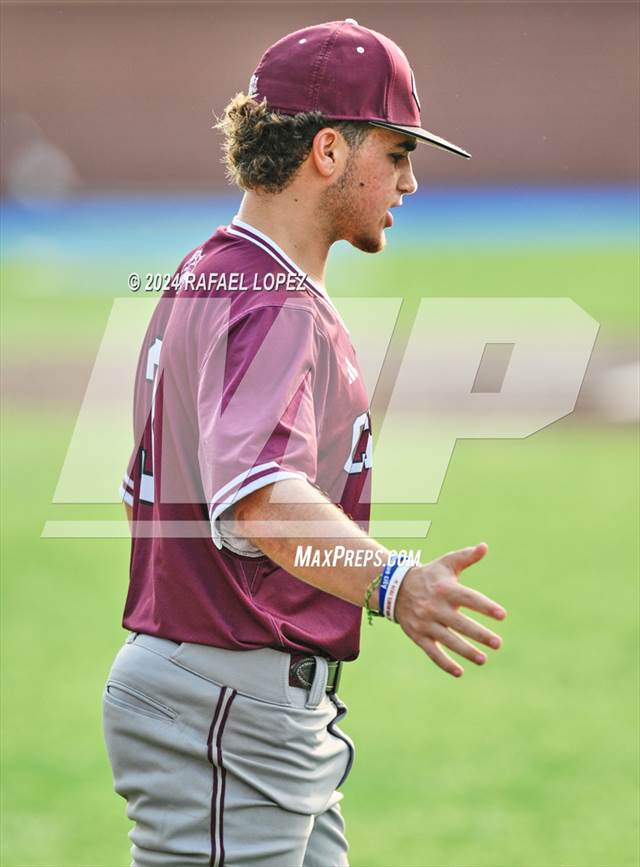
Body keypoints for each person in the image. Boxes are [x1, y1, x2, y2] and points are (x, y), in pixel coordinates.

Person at [103, 19, 506, 867]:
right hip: (225, 702)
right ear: (327, 149)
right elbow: (261, 498)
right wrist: (394, 582)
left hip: (229, 698)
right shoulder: (269, 300)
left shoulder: (214, 272)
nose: (409, 181)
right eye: (396, 153)